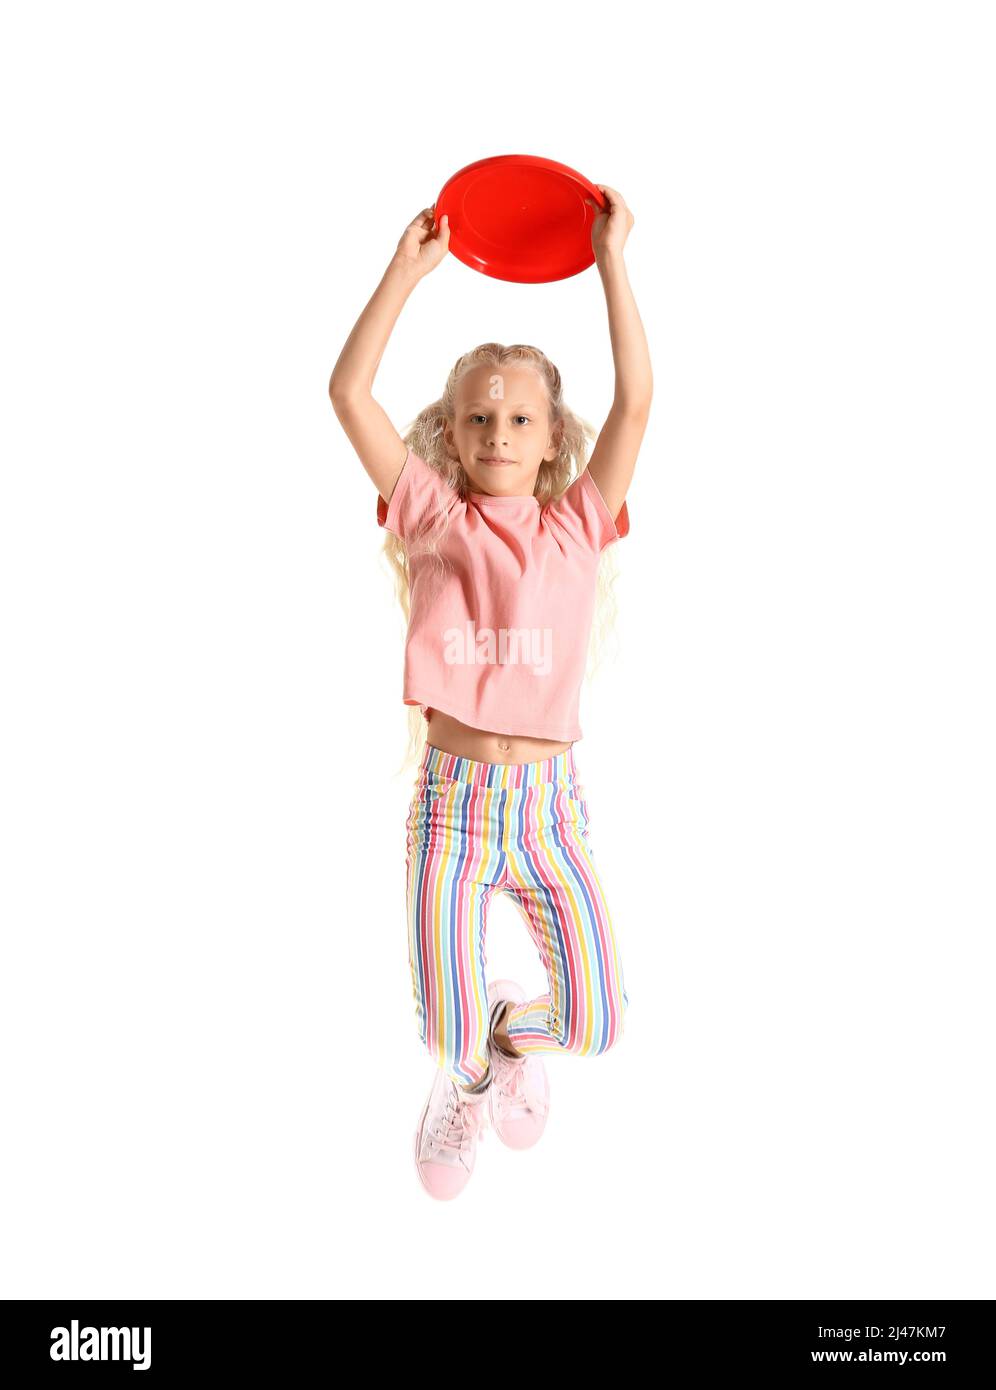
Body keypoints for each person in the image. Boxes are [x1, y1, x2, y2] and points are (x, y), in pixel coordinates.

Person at [328, 186, 652, 1200]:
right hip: (455, 810)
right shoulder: (429, 514)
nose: (498, 429)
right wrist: (407, 270)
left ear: (552, 438)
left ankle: (508, 1034)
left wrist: (612, 262)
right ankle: (465, 1073)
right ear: (452, 435)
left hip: (551, 812)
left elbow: (638, 401)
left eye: (518, 416)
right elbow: (347, 394)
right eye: (477, 417)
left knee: (599, 1022)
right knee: (443, 1032)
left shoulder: (579, 524)